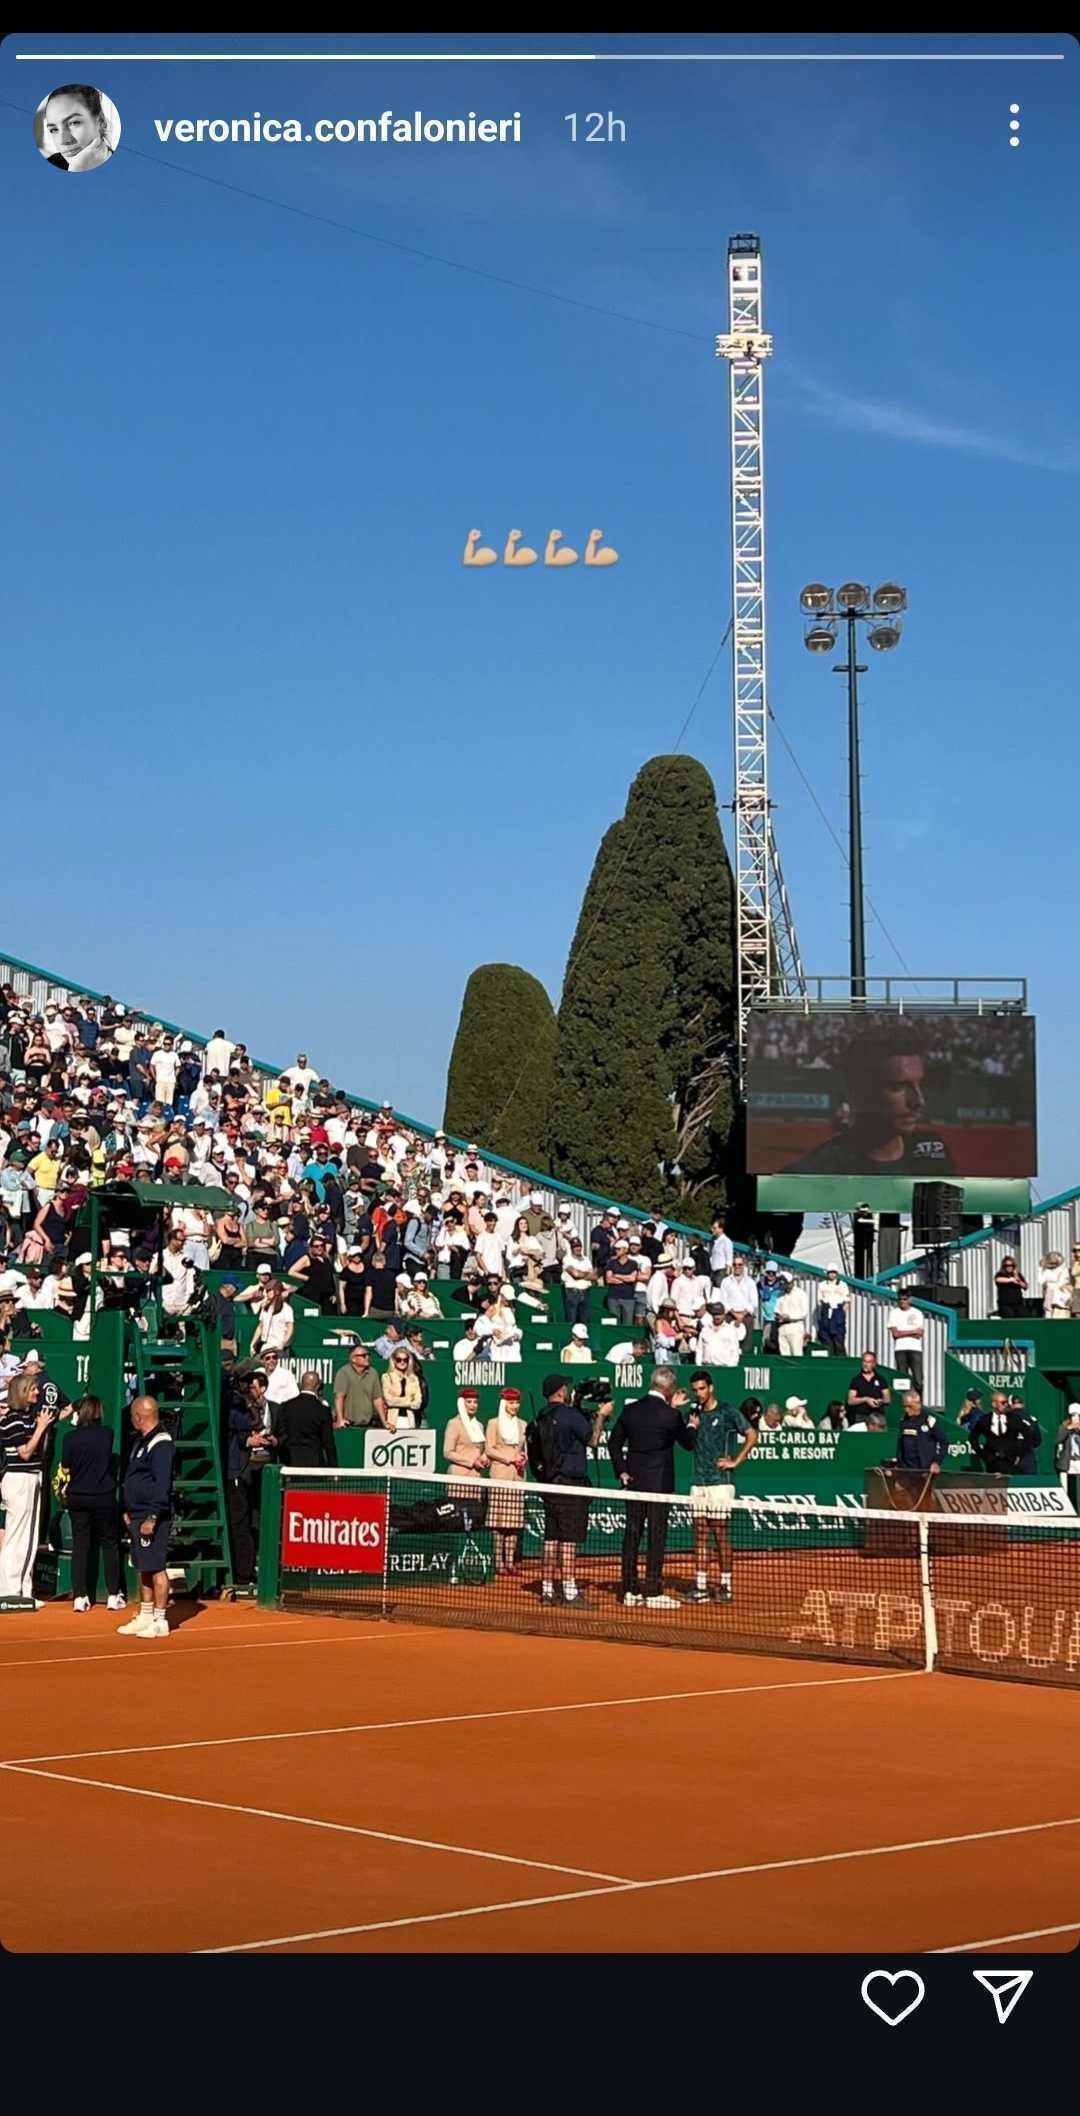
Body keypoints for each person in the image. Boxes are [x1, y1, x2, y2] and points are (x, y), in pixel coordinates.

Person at [786, 1024, 954, 1176]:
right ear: (859, 1092)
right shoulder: (815, 1173)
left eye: (920, 1085)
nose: (919, 1101)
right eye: (898, 1087)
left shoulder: (933, 1151)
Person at [607, 1367, 695, 1609]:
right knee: (656, 1537)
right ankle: (654, 1592)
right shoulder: (671, 1415)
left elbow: (613, 1443)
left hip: (633, 1481)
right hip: (659, 1485)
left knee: (632, 1535)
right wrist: (692, 1424)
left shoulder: (631, 1410)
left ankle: (629, 1590)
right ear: (668, 1389)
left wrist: (622, 1471)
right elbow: (688, 1443)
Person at [685, 1373, 757, 1604]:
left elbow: (752, 1434)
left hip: (720, 1484)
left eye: (702, 1388)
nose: (699, 1393)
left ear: (711, 1388)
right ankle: (701, 1586)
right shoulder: (693, 1415)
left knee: (720, 1534)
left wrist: (735, 1461)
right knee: (699, 1536)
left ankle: (726, 1585)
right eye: (695, 1389)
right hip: (699, 1482)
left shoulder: (727, 1411)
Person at [0, 1370, 60, 1606]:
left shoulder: (26, 1418)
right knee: (17, 1535)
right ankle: (8, 1589)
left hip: (32, 1476)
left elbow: (37, 1452)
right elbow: (24, 1453)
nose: (37, 1392)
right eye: (34, 1388)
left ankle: (25, 1590)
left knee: (31, 1535)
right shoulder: (14, 1420)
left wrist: (41, 1426)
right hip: (18, 1478)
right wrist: (40, 1428)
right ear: (23, 1392)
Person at [117, 1394, 175, 1639]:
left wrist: (153, 1516)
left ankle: (161, 1620)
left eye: (133, 1416)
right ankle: (146, 1614)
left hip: (152, 1516)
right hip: (137, 1513)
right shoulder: (141, 1441)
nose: (131, 1420)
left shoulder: (162, 1444)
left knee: (157, 1568)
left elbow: (162, 1482)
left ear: (139, 1417)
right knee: (143, 1566)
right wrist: (128, 1510)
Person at [61, 1395, 125, 1612]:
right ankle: (113, 1595)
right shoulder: (107, 1434)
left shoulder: (70, 1438)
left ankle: (80, 1596)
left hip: (78, 1495)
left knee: (80, 1546)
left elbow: (66, 1466)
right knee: (109, 1543)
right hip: (103, 1495)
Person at [537, 1375, 592, 1605]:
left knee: (552, 1538)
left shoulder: (541, 1416)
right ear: (561, 1392)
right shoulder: (570, 1416)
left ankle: (547, 1589)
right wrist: (601, 1417)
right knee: (568, 1540)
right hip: (570, 1485)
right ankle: (570, 1591)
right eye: (566, 1388)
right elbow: (593, 1440)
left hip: (549, 1484)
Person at [484, 1385, 527, 1577]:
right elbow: (489, 1449)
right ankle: (498, 1561)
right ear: (504, 1403)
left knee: (514, 1522)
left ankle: (510, 1562)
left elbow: (525, 1449)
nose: (515, 1406)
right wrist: (508, 1459)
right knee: (498, 1523)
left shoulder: (523, 1425)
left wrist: (523, 1457)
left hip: (517, 1477)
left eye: (517, 1402)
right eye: (511, 1402)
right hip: (500, 1475)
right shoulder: (493, 1423)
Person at [273, 1370, 337, 1469]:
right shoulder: (323, 1410)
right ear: (318, 1385)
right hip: (314, 1465)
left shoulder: (285, 1407)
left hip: (289, 1464)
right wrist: (334, 1469)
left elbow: (281, 1437)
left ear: (301, 1384)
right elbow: (328, 1443)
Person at [969, 1391, 1031, 1475]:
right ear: (994, 1404)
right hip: (992, 1462)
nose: (1006, 1405)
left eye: (1006, 1402)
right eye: (1003, 1403)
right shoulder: (985, 1420)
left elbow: (1028, 1435)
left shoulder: (1014, 1419)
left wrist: (1019, 1454)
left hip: (1010, 1462)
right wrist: (983, 1454)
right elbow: (973, 1437)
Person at [892, 1390, 946, 1481]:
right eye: (904, 1406)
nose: (906, 1409)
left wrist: (936, 1462)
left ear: (918, 1404)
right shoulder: (903, 1421)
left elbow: (943, 1442)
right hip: (906, 1471)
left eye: (909, 1406)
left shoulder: (929, 1421)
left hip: (924, 1471)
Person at [332, 1344, 385, 1430]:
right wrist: (340, 1419)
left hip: (368, 1425)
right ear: (353, 1359)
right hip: (348, 1425)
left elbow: (377, 1399)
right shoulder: (343, 1372)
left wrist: (384, 1422)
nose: (367, 1357)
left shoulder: (373, 1373)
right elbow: (339, 1397)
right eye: (363, 1356)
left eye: (368, 1355)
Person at [887, 1288, 925, 1394]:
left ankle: (918, 1404)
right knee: (902, 1381)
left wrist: (902, 1332)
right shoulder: (894, 1313)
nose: (902, 1301)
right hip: (900, 1349)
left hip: (915, 1349)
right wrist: (912, 1331)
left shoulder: (917, 1313)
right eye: (900, 1299)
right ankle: (904, 1403)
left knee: (918, 1379)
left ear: (910, 1300)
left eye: (905, 1299)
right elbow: (895, 1334)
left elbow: (919, 1334)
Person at [814, 1270, 850, 1356]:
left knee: (839, 1339)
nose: (832, 1274)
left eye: (834, 1272)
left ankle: (841, 1360)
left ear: (837, 1274)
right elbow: (819, 1300)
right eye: (830, 1272)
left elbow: (847, 1301)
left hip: (838, 1310)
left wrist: (842, 1313)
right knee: (826, 1339)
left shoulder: (843, 1284)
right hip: (826, 1310)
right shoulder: (822, 1285)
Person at [847, 1351, 889, 1422]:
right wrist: (866, 1399)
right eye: (864, 1362)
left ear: (874, 1364)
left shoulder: (881, 1379)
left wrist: (880, 1401)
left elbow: (887, 1399)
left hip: (877, 1416)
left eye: (869, 1362)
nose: (866, 1364)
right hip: (861, 1417)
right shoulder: (856, 1380)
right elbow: (850, 1400)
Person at [775, 1277, 809, 1358]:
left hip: (795, 1327)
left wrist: (789, 1317)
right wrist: (779, 1316)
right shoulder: (780, 1294)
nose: (786, 1286)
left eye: (787, 1283)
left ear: (792, 1283)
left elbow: (804, 1313)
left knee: (796, 1353)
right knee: (784, 1355)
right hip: (782, 1327)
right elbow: (776, 1310)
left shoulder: (801, 1294)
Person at [994, 1255, 1028, 1320]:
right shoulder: (1000, 1274)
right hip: (1005, 1304)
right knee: (1009, 1318)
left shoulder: (1018, 1275)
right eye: (1006, 1266)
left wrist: (1018, 1279)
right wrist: (1011, 1280)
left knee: (1023, 1317)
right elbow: (998, 1279)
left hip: (1018, 1303)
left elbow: (1025, 1286)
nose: (1009, 1267)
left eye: (1011, 1265)